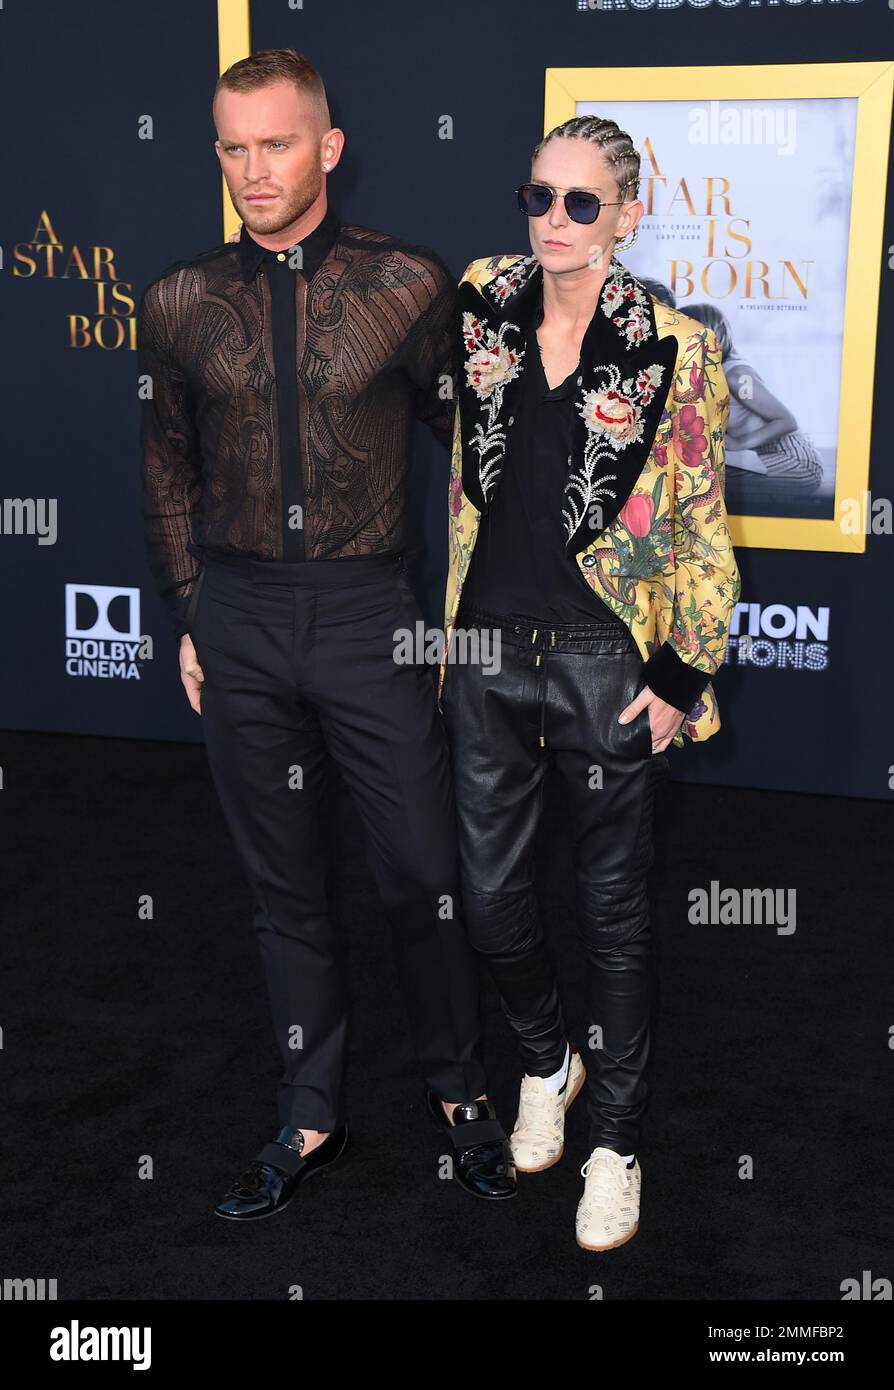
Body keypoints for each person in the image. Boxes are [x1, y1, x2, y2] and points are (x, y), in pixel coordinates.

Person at [137, 47, 516, 1221]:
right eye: (234, 148)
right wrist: (194, 605)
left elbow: (474, 459)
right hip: (242, 617)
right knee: (283, 886)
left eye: (278, 144)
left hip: (368, 616)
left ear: (328, 148)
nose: (255, 170)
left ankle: (459, 1093)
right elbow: (166, 464)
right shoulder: (177, 300)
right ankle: (312, 1111)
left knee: (422, 873)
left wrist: (461, 616)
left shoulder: (409, 283)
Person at [438, 115, 741, 1249]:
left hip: (609, 658)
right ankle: (544, 1059)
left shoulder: (677, 345)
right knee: (488, 898)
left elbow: (706, 530)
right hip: (481, 654)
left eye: (580, 201)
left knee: (615, 915)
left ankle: (614, 1140)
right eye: (538, 196)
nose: (554, 220)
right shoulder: (483, 300)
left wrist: (677, 673)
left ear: (625, 214)